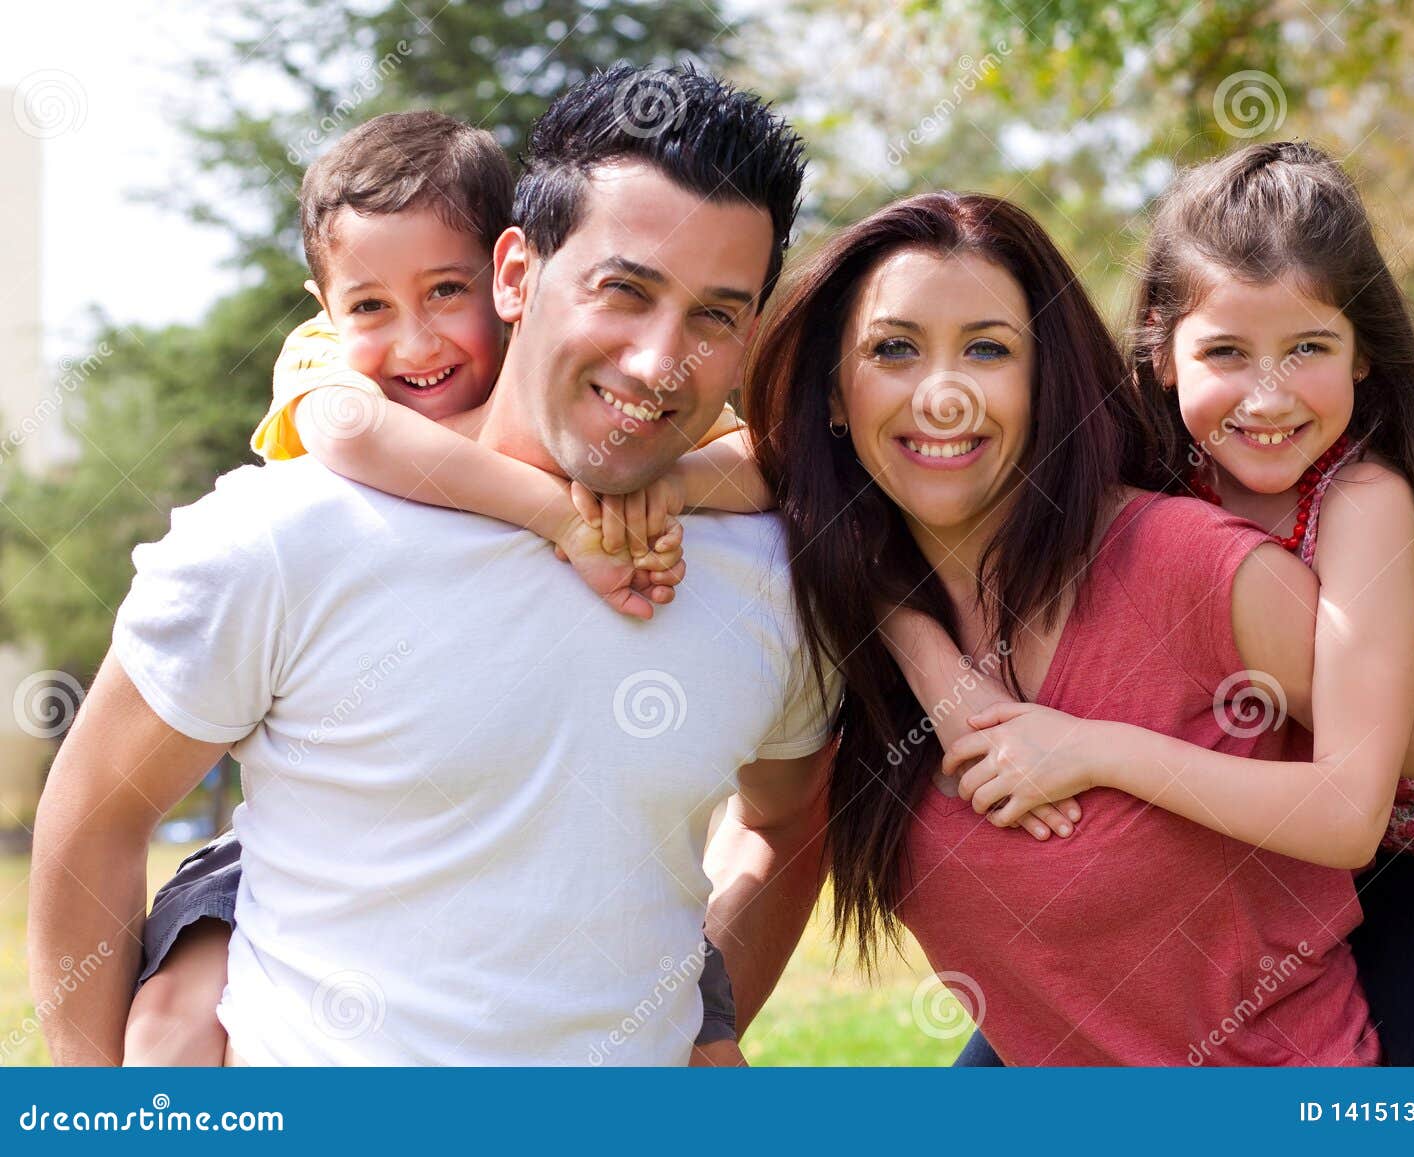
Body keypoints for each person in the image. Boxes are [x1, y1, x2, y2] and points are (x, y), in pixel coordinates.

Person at [29, 64, 831, 1066]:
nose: (658, 359)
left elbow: (788, 815)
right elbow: (97, 813)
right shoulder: (284, 532)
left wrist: (696, 1025)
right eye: (623, 289)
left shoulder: (769, 568)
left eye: (714, 314)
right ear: (515, 274)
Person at [915, 144, 1414, 1066]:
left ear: (1364, 350)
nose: (1267, 395)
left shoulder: (1360, 504)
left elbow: (1376, 803)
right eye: (1225, 350)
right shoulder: (1129, 477)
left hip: (1393, 868)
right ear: (1162, 350)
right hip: (1222, 868)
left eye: (1308, 347)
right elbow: (834, 491)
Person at [744, 191, 1379, 1064]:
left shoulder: (1193, 568)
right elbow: (704, 467)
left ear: (1047, 381)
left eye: (988, 349)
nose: (942, 395)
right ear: (834, 398)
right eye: (894, 349)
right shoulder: (829, 604)